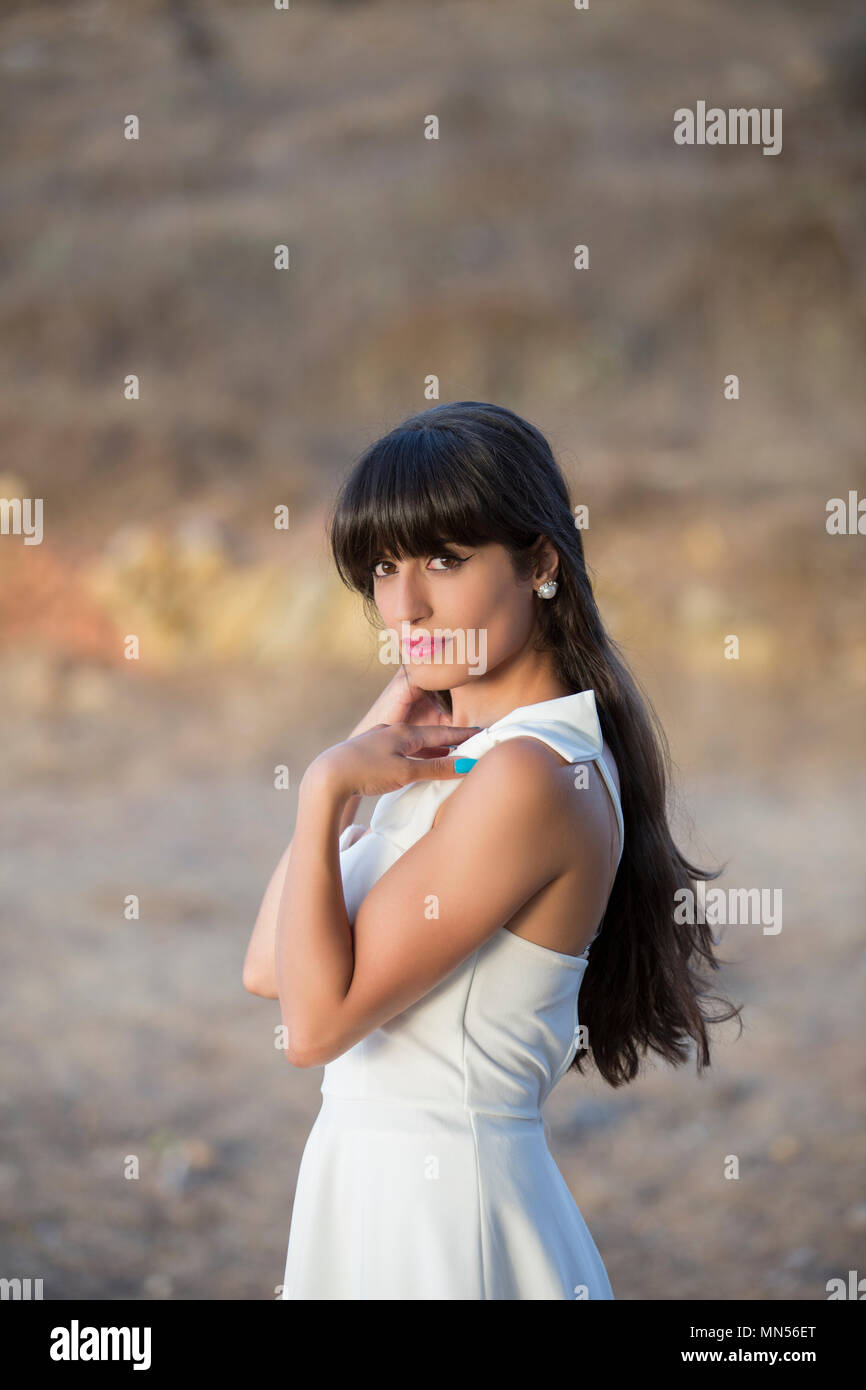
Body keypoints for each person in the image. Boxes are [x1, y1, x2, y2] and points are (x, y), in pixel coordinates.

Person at [243, 400, 742, 1300]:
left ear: (540, 561)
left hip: (443, 1218)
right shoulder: (467, 752)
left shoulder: (532, 775)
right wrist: (390, 707)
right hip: (370, 1190)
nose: (405, 603)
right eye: (384, 568)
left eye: (445, 559)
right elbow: (266, 967)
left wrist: (326, 793)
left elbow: (312, 1027)